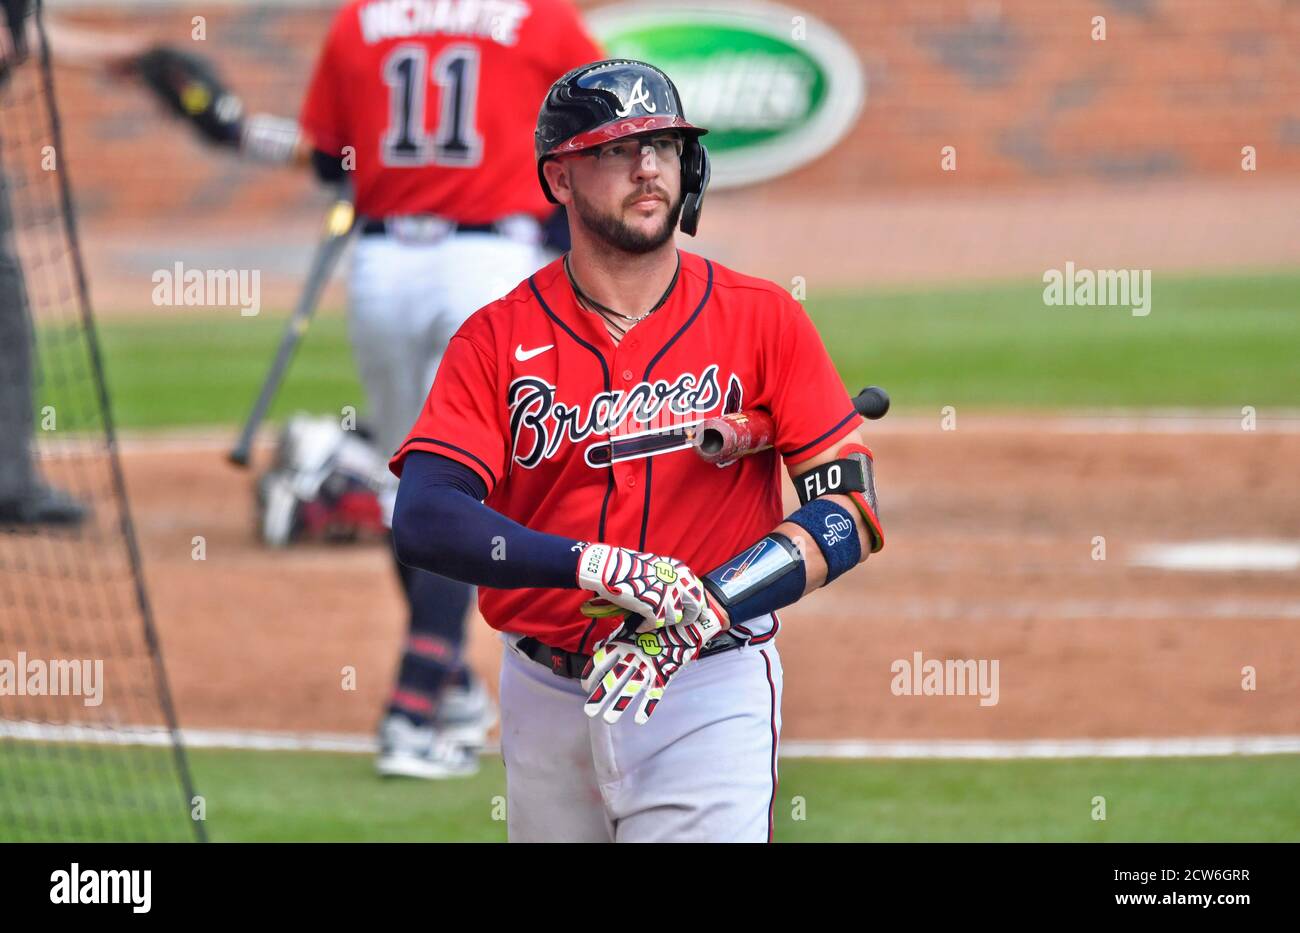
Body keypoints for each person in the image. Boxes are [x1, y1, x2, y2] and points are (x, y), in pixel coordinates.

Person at [388, 59, 885, 841]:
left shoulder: (764, 319)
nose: (649, 168)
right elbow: (423, 517)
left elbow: (850, 513)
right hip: (545, 696)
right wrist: (586, 563)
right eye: (617, 150)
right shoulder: (495, 338)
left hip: (706, 687)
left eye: (663, 145)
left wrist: (703, 610)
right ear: (560, 177)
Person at [128, 0, 603, 778]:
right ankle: (413, 710)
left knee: (414, 482)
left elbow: (325, 159)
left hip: (384, 266)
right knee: (467, 491)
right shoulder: (539, 19)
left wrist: (227, 125)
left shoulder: (361, 21)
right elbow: (601, 124)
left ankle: (444, 688)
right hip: (491, 263)